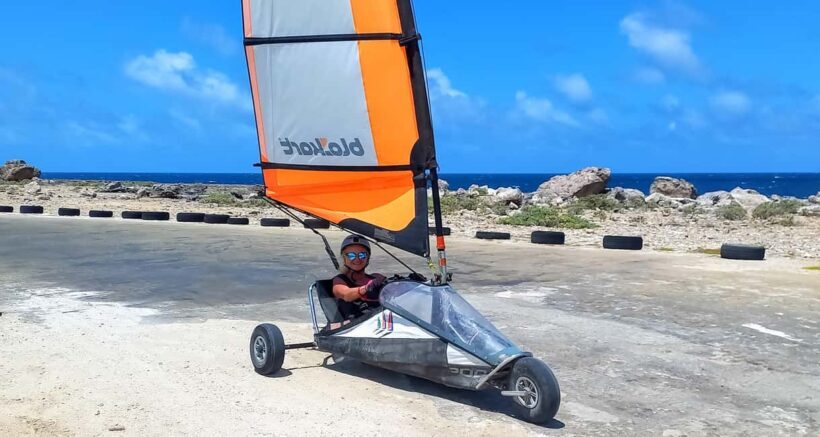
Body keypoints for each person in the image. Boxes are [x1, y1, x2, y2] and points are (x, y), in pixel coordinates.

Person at [332, 235, 386, 320]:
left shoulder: (376, 277)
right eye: (351, 255)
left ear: (367, 258)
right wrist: (366, 288)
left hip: (380, 321)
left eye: (362, 255)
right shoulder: (339, 280)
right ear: (344, 258)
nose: (357, 259)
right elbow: (346, 295)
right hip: (353, 327)